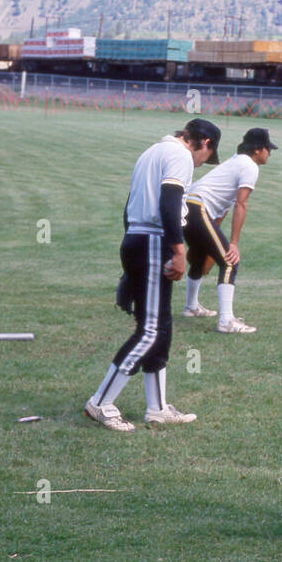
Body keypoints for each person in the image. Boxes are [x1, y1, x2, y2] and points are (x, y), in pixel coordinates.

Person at [85, 117, 222, 433]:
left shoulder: (152, 152)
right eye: (207, 156)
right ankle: (101, 402)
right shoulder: (179, 155)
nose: (202, 163)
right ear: (204, 143)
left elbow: (129, 205)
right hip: (152, 241)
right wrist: (179, 249)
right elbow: (170, 202)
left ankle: (157, 408)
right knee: (150, 330)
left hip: (138, 237)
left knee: (161, 326)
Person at [181, 126, 277, 334]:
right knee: (229, 261)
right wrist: (233, 243)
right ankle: (226, 321)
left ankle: (191, 307)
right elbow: (241, 205)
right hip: (197, 207)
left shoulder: (235, 161)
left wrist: (209, 239)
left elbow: (222, 210)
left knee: (199, 258)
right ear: (258, 150)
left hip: (186, 207)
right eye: (268, 149)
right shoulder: (250, 166)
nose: (269, 153)